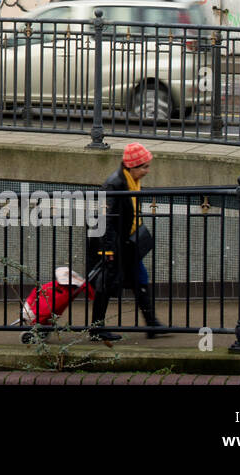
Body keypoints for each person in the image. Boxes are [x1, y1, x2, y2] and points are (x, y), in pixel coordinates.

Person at [86, 141, 169, 341]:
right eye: (144, 166)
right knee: (105, 284)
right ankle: (97, 329)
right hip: (113, 245)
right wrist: (107, 251)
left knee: (140, 277)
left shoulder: (132, 181)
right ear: (132, 166)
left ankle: (151, 324)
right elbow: (106, 220)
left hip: (127, 242)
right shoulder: (114, 184)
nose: (147, 171)